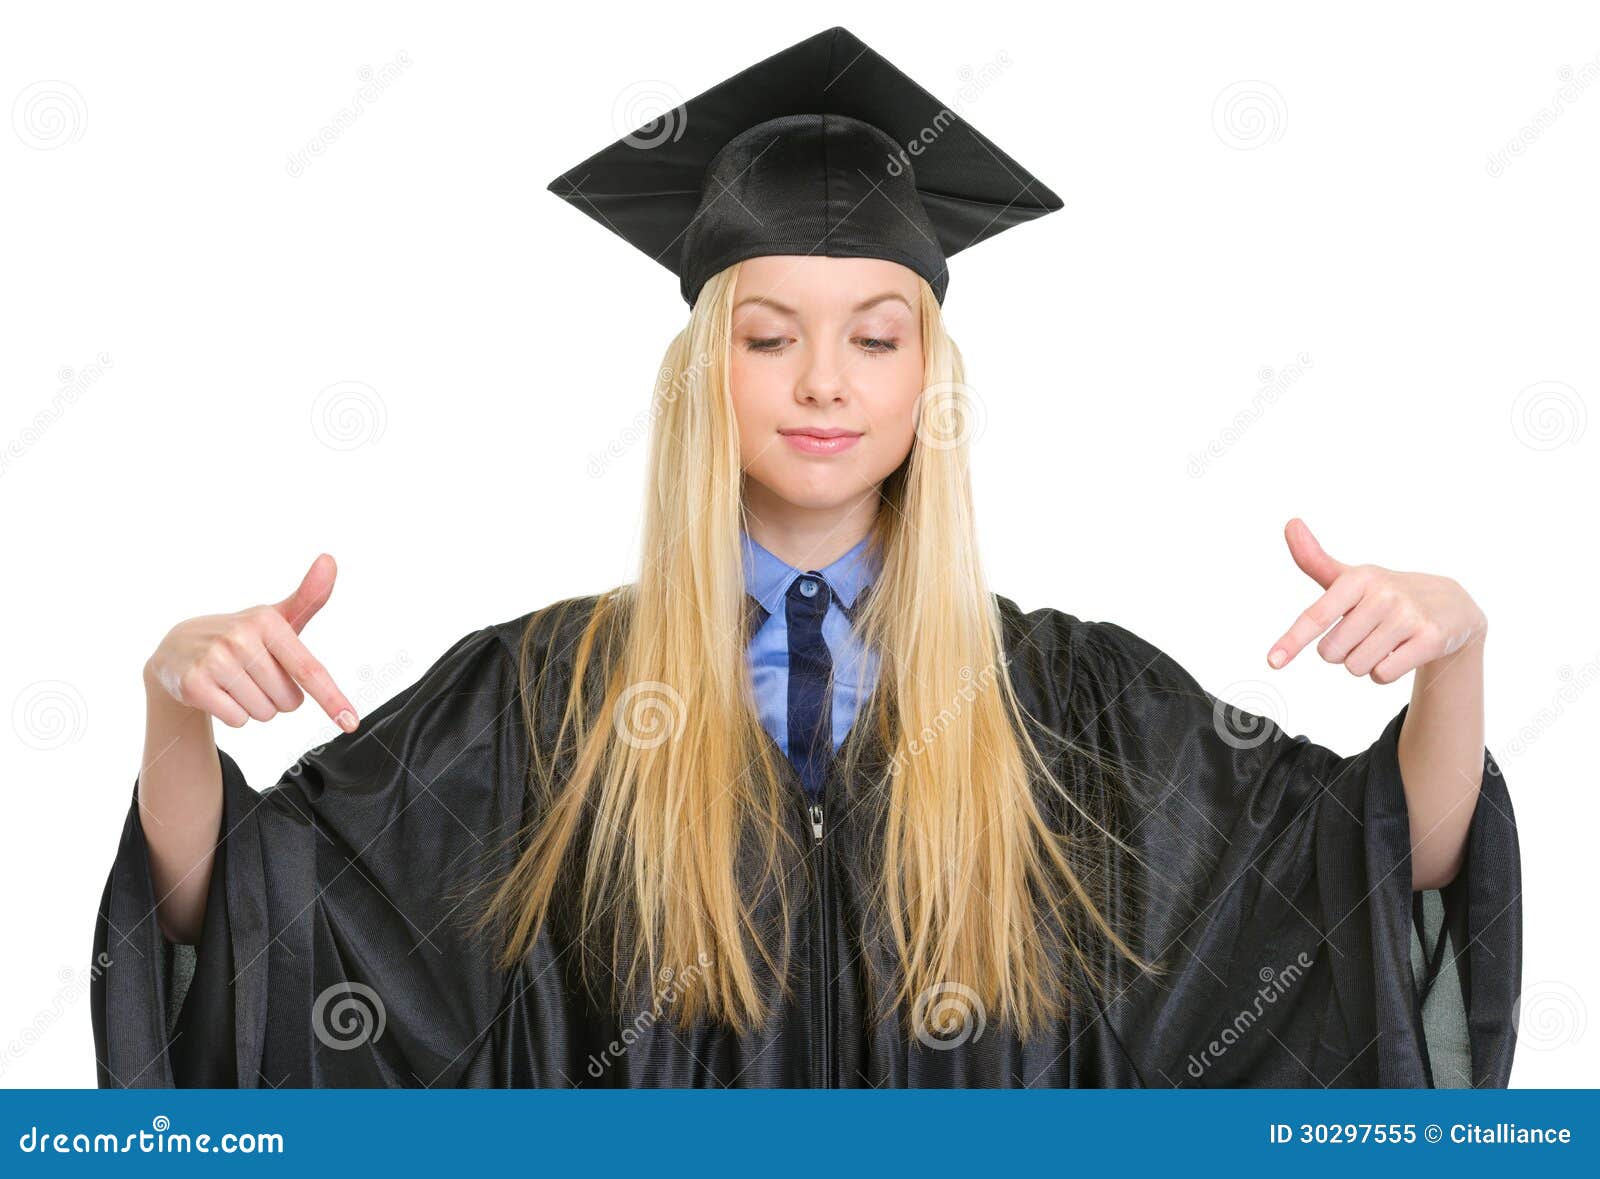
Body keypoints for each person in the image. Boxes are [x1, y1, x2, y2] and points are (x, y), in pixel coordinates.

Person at [92, 25, 1521, 1089]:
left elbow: (1373, 879)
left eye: (875, 339)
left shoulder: (1076, 706)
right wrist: (174, 706)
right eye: (769, 336)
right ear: (700, 376)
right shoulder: (543, 701)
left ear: (928, 380)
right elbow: (245, 922)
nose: (824, 380)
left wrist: (1454, 658)